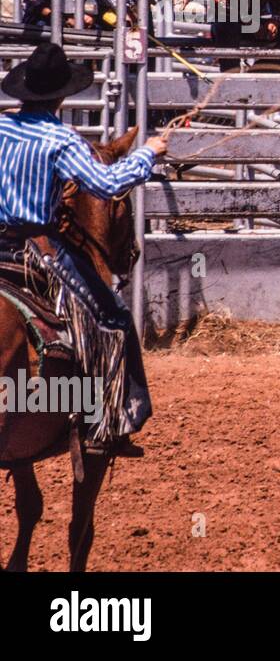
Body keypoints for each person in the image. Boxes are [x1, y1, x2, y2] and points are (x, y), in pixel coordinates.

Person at [0, 41, 166, 456]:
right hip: (34, 248)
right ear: (61, 96)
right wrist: (148, 154)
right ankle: (113, 420)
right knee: (112, 314)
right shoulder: (61, 140)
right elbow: (108, 185)